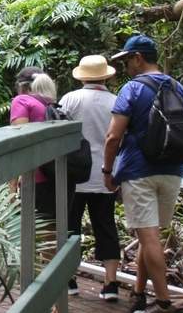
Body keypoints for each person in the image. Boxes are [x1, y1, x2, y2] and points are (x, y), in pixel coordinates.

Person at [103, 35, 183, 313]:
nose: (126, 67)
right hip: (173, 170)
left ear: (138, 58)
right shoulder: (178, 87)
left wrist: (108, 171)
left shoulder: (132, 89)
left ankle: (165, 300)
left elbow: (112, 136)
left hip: (138, 171)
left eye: (127, 61)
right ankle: (138, 293)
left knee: (149, 236)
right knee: (151, 234)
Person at [59, 54, 122, 303]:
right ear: (106, 76)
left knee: (70, 226)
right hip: (106, 175)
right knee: (106, 226)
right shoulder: (116, 102)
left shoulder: (70, 100)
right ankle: (111, 283)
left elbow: (58, 134)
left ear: (82, 77)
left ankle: (69, 279)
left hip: (75, 175)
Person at [10, 66, 76, 282]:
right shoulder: (53, 105)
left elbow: (19, 143)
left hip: (36, 179)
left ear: (23, 85)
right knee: (52, 235)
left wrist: (12, 185)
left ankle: (34, 285)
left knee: (33, 234)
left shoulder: (22, 101)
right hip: (59, 177)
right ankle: (54, 288)